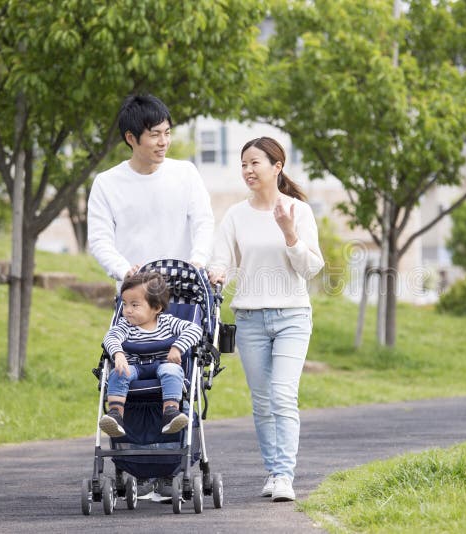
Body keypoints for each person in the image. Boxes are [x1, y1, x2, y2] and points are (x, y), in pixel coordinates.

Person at [208, 137, 324, 503]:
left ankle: (285, 475)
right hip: (250, 318)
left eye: (254, 163)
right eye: (243, 164)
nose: (247, 170)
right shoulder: (235, 215)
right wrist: (217, 273)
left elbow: (311, 269)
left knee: (282, 395)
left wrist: (289, 233)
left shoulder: (298, 212)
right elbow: (219, 259)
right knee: (261, 401)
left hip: (292, 315)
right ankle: (273, 471)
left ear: (277, 166)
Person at [87, 94, 214, 284]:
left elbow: (204, 222)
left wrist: (198, 261)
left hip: (184, 290)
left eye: (167, 133)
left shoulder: (186, 173)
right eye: (155, 135)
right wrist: (125, 271)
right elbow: (100, 240)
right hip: (136, 295)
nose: (163, 141)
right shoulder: (106, 183)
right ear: (131, 138)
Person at [98, 271, 203, 437]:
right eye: (124, 304)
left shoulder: (168, 322)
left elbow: (195, 329)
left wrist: (177, 347)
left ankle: (170, 412)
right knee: (118, 373)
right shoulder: (126, 325)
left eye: (134, 305)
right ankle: (115, 415)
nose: (127, 310)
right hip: (134, 368)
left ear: (156, 308)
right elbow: (111, 336)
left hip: (163, 365)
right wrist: (118, 354)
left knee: (173, 370)